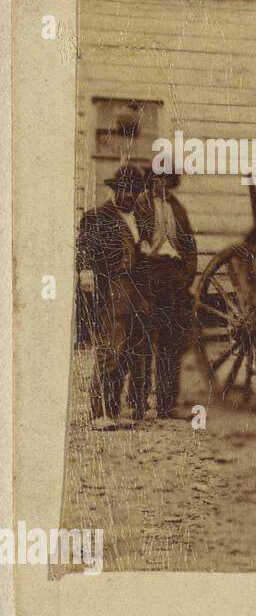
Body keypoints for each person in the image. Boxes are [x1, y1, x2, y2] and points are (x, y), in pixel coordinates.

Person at [76, 165, 150, 429]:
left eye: (135, 190)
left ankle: (115, 410)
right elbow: (84, 246)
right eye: (124, 190)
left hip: (137, 291)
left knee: (130, 349)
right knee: (111, 348)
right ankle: (99, 413)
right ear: (115, 189)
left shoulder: (140, 218)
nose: (129, 195)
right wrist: (85, 270)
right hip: (113, 288)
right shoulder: (98, 216)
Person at [134, 170, 199, 419]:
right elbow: (135, 239)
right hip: (150, 275)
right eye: (159, 178)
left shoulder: (177, 207)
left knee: (172, 344)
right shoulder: (140, 204)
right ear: (152, 180)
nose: (163, 184)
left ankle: (166, 404)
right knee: (142, 341)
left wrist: (187, 275)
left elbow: (190, 247)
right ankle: (138, 403)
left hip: (175, 276)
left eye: (168, 180)